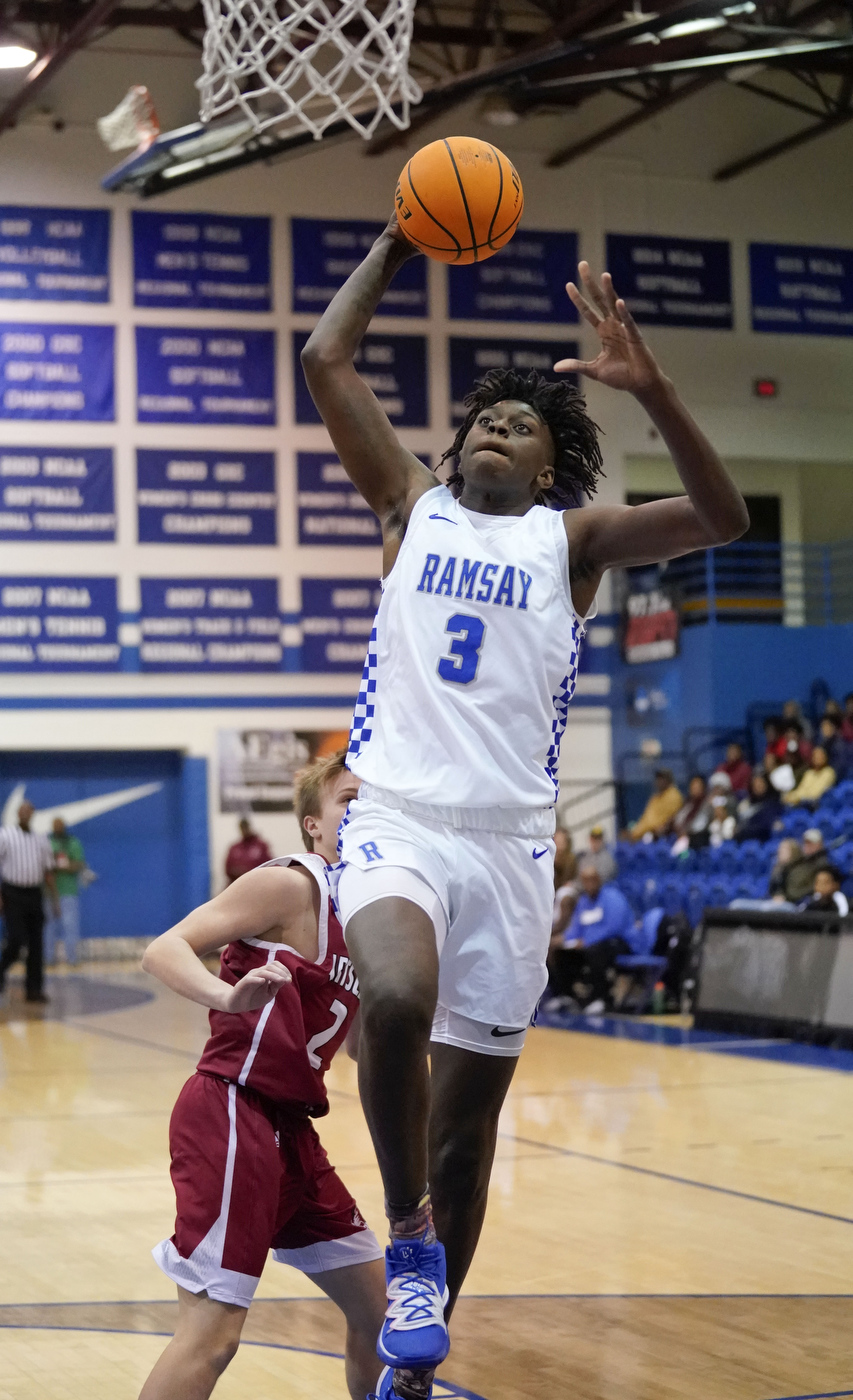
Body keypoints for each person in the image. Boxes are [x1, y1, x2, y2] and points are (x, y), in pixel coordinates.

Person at [300, 220, 748, 1398]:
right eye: (483, 420)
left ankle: (413, 1352)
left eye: (523, 423)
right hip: (397, 811)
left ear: (548, 467)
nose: (496, 427)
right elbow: (325, 362)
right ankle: (407, 1237)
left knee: (465, 1136)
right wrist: (397, 245)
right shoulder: (409, 507)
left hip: (507, 848)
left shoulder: (574, 543)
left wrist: (654, 389)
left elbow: (723, 520)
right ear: (454, 453)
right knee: (393, 995)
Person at [138, 752, 387, 1400]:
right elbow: (161, 949)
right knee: (212, 1335)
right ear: (313, 825)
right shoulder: (290, 885)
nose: (364, 809)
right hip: (232, 1113)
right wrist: (226, 999)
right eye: (347, 798)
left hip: (294, 1136)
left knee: (381, 1316)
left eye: (376, 798)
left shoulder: (371, 921)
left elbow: (360, 1046)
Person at [549, 862, 635, 1014]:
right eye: (585, 880)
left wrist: (587, 941)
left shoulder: (612, 897)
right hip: (589, 944)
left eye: (592, 879)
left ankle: (602, 998)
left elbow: (614, 927)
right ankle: (567, 996)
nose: (589, 884)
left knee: (596, 951)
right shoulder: (583, 902)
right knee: (559, 952)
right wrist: (563, 939)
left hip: (619, 943)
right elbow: (576, 928)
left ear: (598, 880)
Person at [0, 801, 59, 1004]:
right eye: (22, 810)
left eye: (29, 810)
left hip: (34, 894)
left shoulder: (41, 839)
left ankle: (34, 989)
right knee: (16, 940)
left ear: (33, 813)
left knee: (37, 943)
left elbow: (48, 871)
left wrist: (55, 900)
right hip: (12, 893)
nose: (26, 813)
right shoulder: (5, 835)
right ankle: (1, 970)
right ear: (18, 813)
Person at [44, 817, 85, 967]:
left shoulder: (73, 843)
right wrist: (52, 864)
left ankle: (72, 959)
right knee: (48, 927)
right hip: (48, 892)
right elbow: (44, 866)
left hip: (68, 891)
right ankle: (48, 959)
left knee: (70, 926)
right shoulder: (46, 843)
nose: (58, 828)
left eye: (60, 826)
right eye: (55, 826)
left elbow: (79, 864)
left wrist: (62, 865)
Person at [771, 829, 827, 903]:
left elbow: (814, 889)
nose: (808, 846)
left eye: (811, 844)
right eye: (806, 843)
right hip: (786, 900)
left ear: (820, 845)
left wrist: (786, 897)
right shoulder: (797, 862)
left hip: (801, 904)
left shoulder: (822, 866)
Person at [629, 768, 684, 843]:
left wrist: (640, 833)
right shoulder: (655, 798)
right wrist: (635, 833)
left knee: (646, 838)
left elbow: (664, 820)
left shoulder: (674, 796)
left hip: (661, 834)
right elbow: (646, 818)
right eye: (658, 779)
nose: (659, 782)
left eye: (662, 779)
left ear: (669, 780)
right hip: (646, 831)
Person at [734, 773, 782, 843]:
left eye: (760, 783)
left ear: (766, 784)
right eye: (755, 785)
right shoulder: (748, 804)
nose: (758, 786)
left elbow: (766, 826)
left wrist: (743, 831)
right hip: (747, 840)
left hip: (763, 840)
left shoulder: (773, 803)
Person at [223, 817, 271, 883]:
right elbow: (227, 869)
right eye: (242, 828)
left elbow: (268, 865)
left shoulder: (261, 846)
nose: (244, 830)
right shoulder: (235, 848)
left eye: (246, 827)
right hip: (237, 882)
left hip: (256, 882)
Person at [671, 774, 710, 847]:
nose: (694, 789)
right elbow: (678, 819)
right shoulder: (688, 803)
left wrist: (686, 831)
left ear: (703, 788)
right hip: (679, 835)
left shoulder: (706, 803)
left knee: (682, 849)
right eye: (693, 786)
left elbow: (700, 825)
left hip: (696, 839)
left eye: (697, 786)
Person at [819, 715, 853, 781]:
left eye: (826, 726)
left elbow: (840, 768)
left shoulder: (840, 746)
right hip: (826, 776)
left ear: (833, 727)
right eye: (822, 727)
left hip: (839, 779)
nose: (824, 729)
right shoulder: (823, 744)